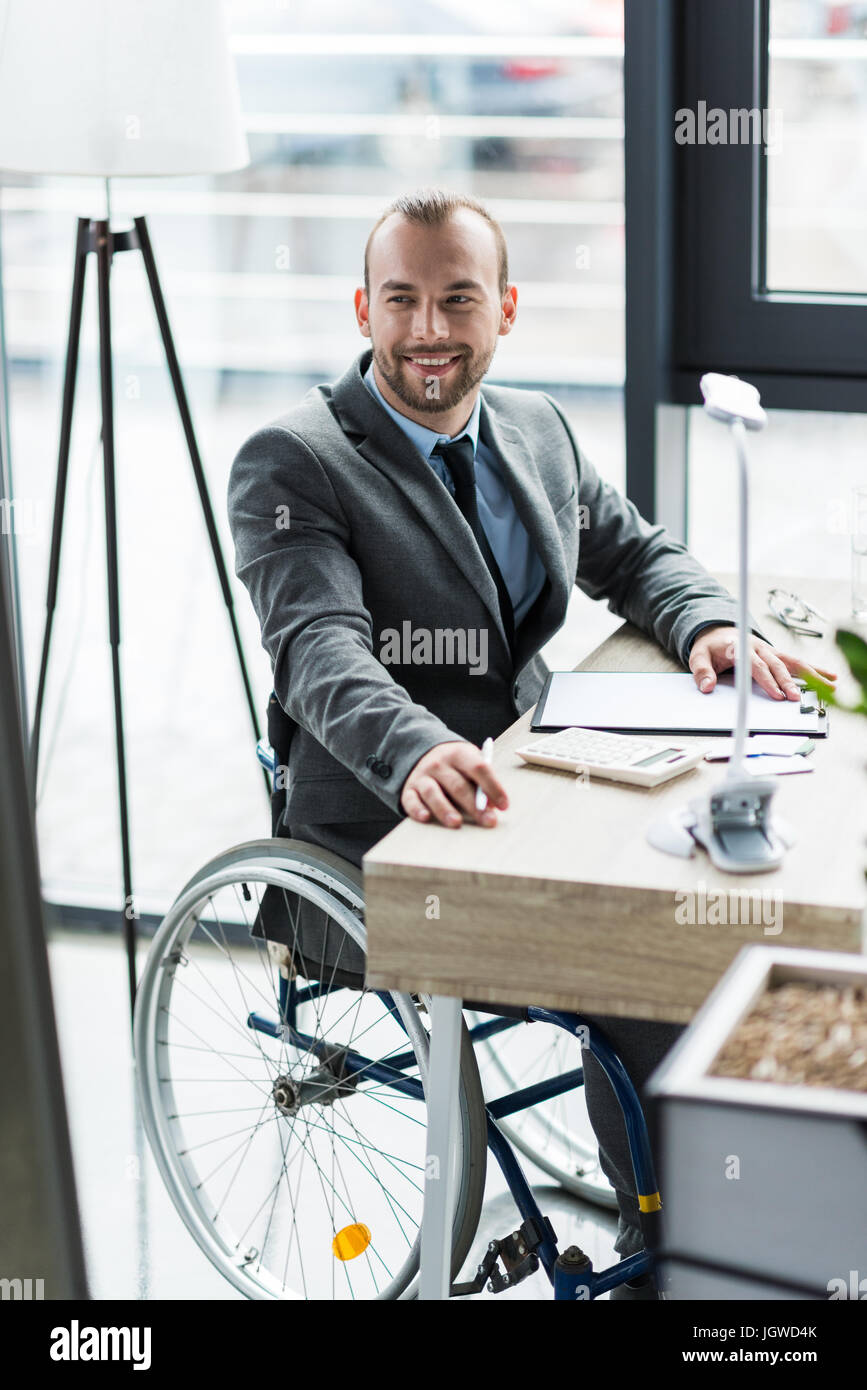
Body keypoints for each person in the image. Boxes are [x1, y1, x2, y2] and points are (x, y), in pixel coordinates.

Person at [227, 188, 835, 1294]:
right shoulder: (295, 462)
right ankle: (669, 1249)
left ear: (503, 310)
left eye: (457, 298)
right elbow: (319, 647)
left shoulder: (537, 430)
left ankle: (730, 1212)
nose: (428, 330)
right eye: (402, 299)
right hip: (390, 823)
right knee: (648, 959)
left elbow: (638, 552)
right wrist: (412, 748)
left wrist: (707, 623)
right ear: (363, 307)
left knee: (721, 905)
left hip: (540, 772)